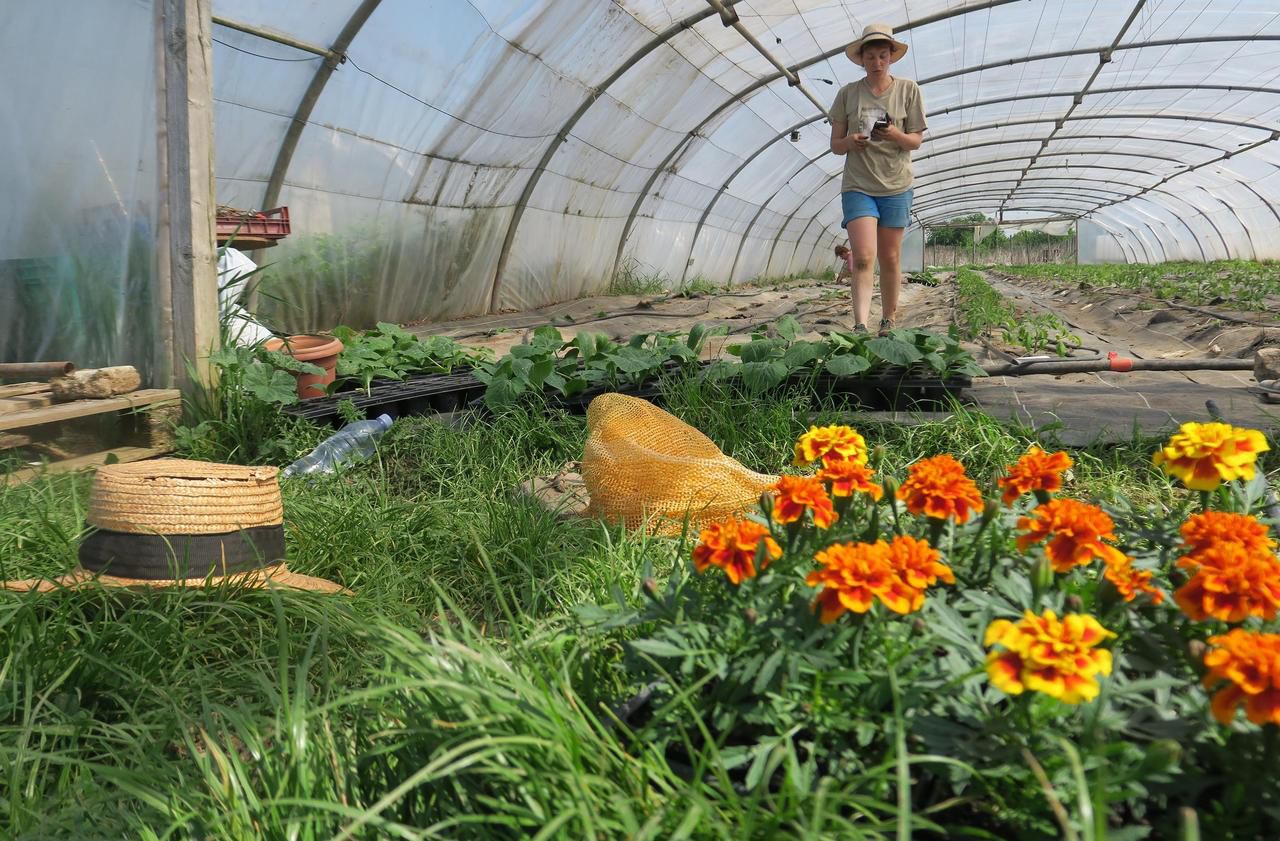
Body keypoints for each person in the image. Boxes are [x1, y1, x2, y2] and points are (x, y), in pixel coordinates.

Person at [829, 23, 926, 336]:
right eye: (870, 57)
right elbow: (835, 145)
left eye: (883, 55)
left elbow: (915, 141)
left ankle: (888, 320)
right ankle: (859, 324)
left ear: (891, 57)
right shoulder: (848, 94)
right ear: (861, 59)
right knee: (863, 257)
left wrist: (895, 133)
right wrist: (850, 141)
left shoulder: (908, 90)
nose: (877, 62)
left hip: (896, 185)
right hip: (858, 185)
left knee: (890, 256)